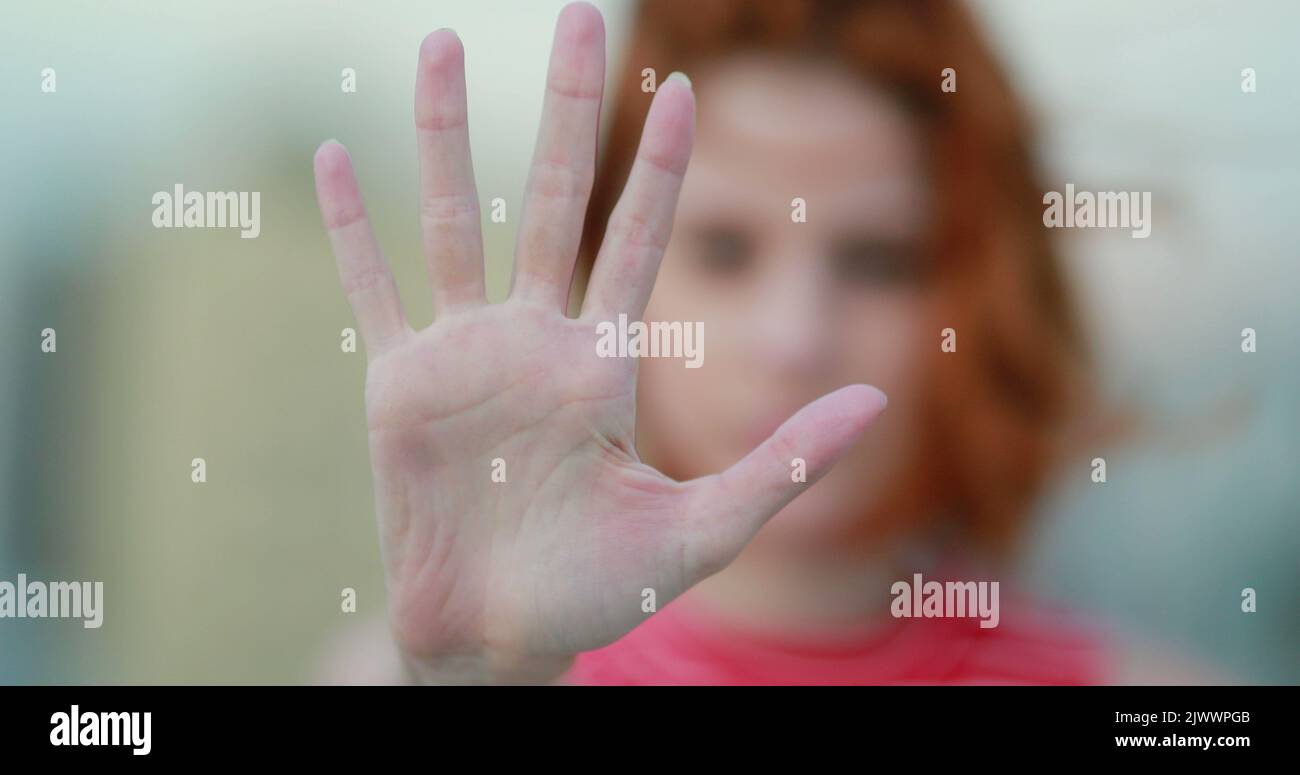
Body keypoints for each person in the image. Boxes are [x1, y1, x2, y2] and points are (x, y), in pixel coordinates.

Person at [312, 0, 1207, 685]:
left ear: (983, 299)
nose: (796, 340)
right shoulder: (409, 674)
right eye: (724, 250)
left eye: (878, 261)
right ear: (605, 274)